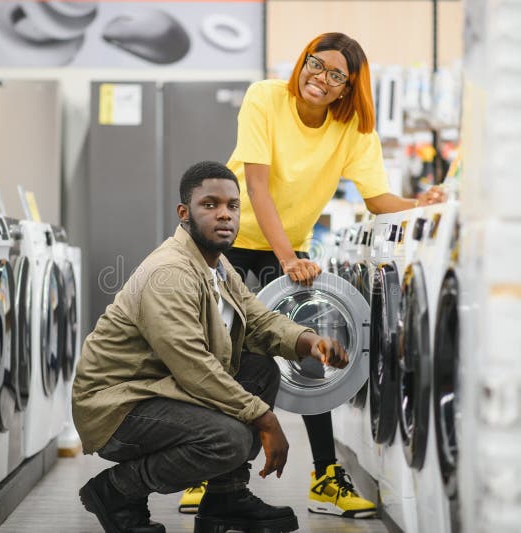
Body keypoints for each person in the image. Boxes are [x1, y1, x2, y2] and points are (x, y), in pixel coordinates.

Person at [177, 32, 446, 519]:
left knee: (307, 355)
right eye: (315, 65)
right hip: (229, 239)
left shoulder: (354, 131)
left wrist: (422, 205)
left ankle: (325, 478)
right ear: (302, 64)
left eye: (336, 75)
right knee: (218, 353)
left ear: (348, 88)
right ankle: (205, 469)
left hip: (287, 249)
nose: (320, 79)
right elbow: (255, 185)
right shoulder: (266, 97)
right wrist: (286, 258)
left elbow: (378, 201)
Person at [73, 161, 351, 533]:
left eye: (232, 206)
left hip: (156, 390)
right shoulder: (168, 274)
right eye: (210, 204)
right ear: (184, 213)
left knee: (260, 368)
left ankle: (226, 497)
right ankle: (117, 491)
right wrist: (265, 419)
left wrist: (308, 341)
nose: (224, 214)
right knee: (228, 439)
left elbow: (259, 321)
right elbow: (194, 368)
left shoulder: (215, 267)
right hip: (116, 406)